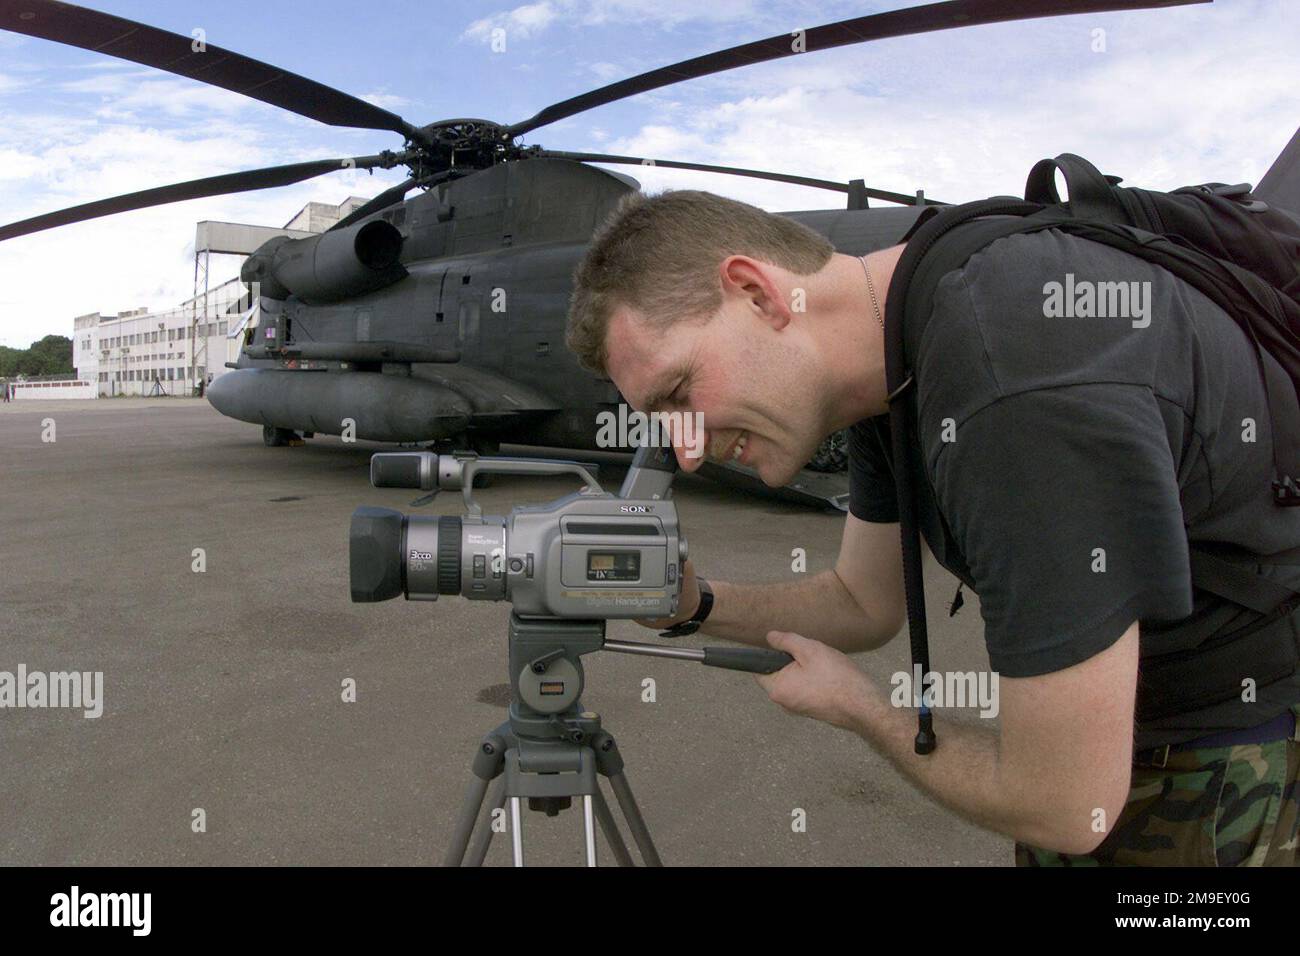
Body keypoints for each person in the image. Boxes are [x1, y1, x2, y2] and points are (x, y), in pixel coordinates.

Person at [565, 188, 1300, 865]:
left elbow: (1069, 803)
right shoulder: (890, 351)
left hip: (1227, 772)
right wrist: (694, 604)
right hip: (1138, 747)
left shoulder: (1009, 378)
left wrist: (864, 711)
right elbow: (863, 600)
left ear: (757, 293)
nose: (686, 452)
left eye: (680, 392)